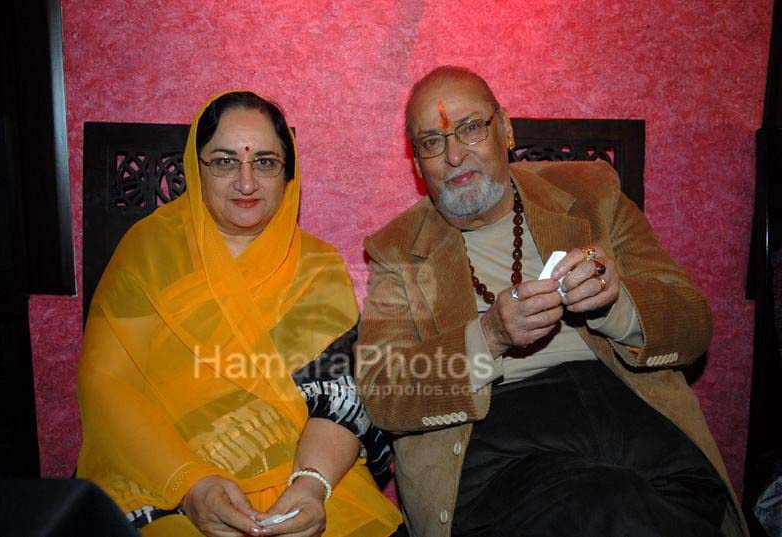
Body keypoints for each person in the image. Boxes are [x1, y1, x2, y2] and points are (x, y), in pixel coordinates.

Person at [355, 66, 748, 537]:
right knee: (611, 503)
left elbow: (693, 324)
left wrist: (617, 303)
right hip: (499, 447)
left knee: (635, 502)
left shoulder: (591, 193)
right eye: (432, 142)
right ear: (418, 164)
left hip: (634, 412)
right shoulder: (397, 248)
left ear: (506, 129)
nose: (455, 155)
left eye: (471, 128)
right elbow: (382, 392)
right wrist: (488, 337)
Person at [77, 91, 401, 537]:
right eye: (225, 162)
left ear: (288, 173)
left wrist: (311, 485)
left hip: (305, 476)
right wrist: (191, 484)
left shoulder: (316, 268)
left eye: (264, 162)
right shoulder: (147, 255)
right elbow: (107, 385)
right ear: (196, 168)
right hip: (168, 479)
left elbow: (340, 395)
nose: (246, 183)